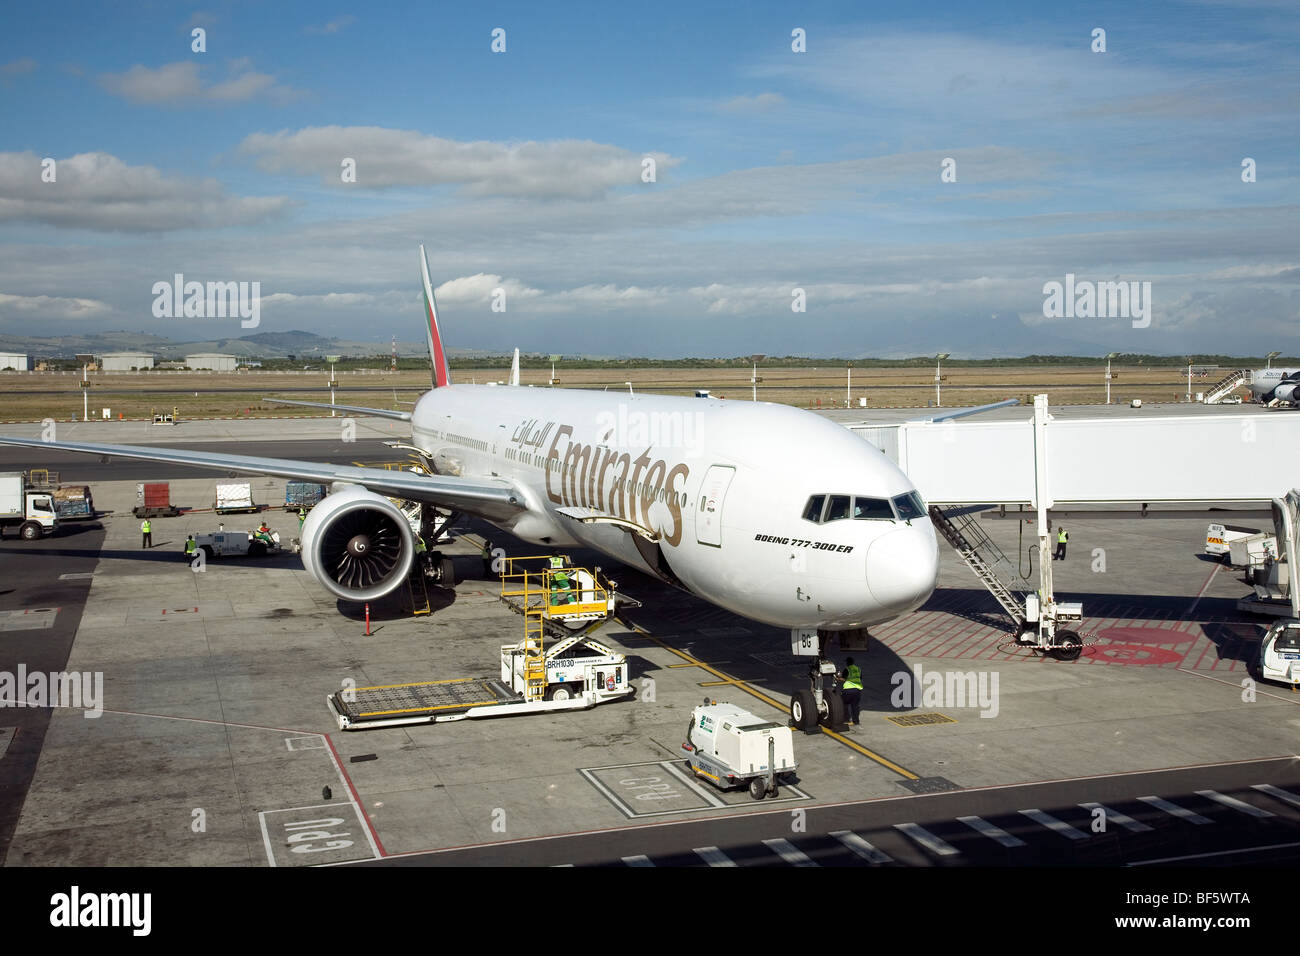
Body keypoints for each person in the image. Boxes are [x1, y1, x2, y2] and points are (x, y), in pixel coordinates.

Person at [840, 657, 863, 726]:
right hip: (857, 690)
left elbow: (843, 679)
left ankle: (846, 719)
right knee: (855, 706)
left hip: (848, 690)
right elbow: (860, 678)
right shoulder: (858, 669)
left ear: (847, 662)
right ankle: (856, 721)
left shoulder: (847, 669)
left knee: (844, 704)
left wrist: (837, 678)